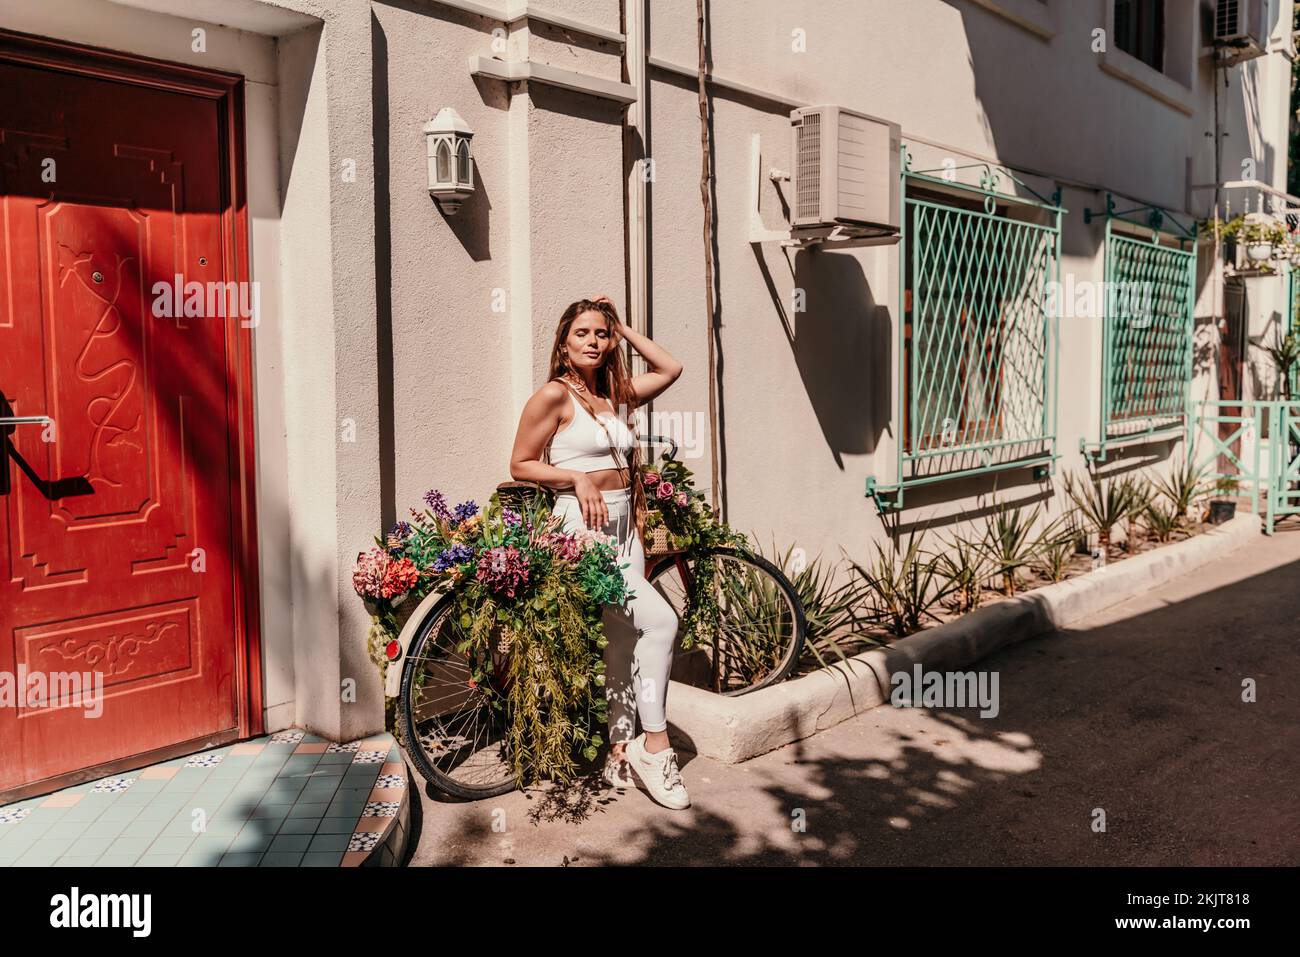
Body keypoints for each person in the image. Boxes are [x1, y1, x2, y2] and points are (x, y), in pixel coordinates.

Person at [508, 295, 689, 810]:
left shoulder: (614, 396)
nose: (593, 342)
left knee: (622, 639)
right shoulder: (553, 396)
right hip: (581, 527)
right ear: (564, 343)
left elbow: (671, 367)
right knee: (662, 623)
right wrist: (575, 475)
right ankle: (655, 747)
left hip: (625, 527)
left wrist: (622, 325)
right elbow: (521, 462)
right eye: (582, 333)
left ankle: (617, 754)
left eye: (600, 334)